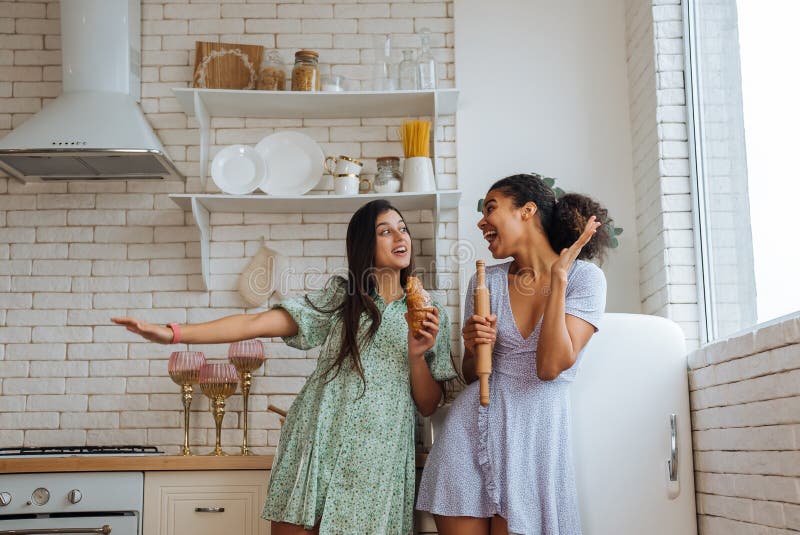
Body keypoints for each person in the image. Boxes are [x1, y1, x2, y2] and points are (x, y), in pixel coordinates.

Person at [113, 199, 456, 535]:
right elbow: (256, 324)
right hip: (315, 441)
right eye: (385, 231)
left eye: (402, 229)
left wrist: (415, 356)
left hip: (379, 456)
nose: (400, 237)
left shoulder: (432, 313)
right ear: (365, 244)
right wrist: (173, 333)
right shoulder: (341, 298)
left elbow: (428, 404)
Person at [416, 173, 612, 535]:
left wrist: (558, 280)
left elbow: (549, 367)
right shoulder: (484, 281)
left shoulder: (584, 279)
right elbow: (472, 374)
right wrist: (476, 347)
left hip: (534, 439)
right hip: (469, 433)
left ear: (527, 210)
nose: (481, 222)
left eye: (491, 208)